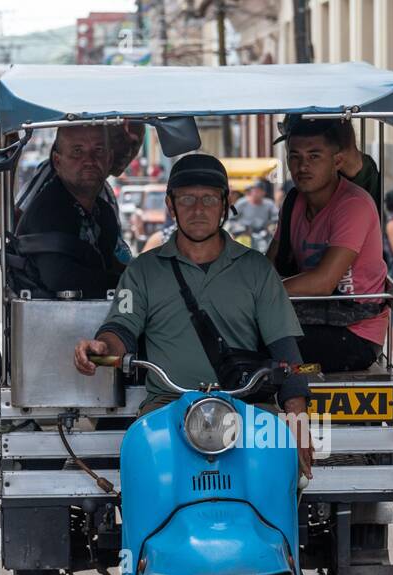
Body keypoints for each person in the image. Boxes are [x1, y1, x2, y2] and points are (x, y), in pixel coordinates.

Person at [73, 152, 313, 462]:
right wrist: (101, 345)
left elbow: (285, 350)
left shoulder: (256, 269)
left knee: (277, 483)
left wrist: (298, 420)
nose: (198, 210)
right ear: (170, 205)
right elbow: (122, 329)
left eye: (209, 199)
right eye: (186, 199)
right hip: (166, 410)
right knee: (143, 473)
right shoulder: (143, 270)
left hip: (246, 407)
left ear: (225, 205)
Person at [270, 118, 390, 373]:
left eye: (314, 156)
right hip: (312, 318)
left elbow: (324, 281)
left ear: (337, 161)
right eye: (295, 157)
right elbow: (269, 263)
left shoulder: (353, 204)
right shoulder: (293, 201)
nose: (303, 166)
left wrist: (260, 293)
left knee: (256, 346)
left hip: (354, 333)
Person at [2, 125, 131, 298]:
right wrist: (125, 283)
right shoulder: (48, 211)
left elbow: (110, 265)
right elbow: (60, 278)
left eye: (98, 150)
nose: (89, 160)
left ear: (109, 159)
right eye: (77, 151)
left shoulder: (104, 212)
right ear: (57, 161)